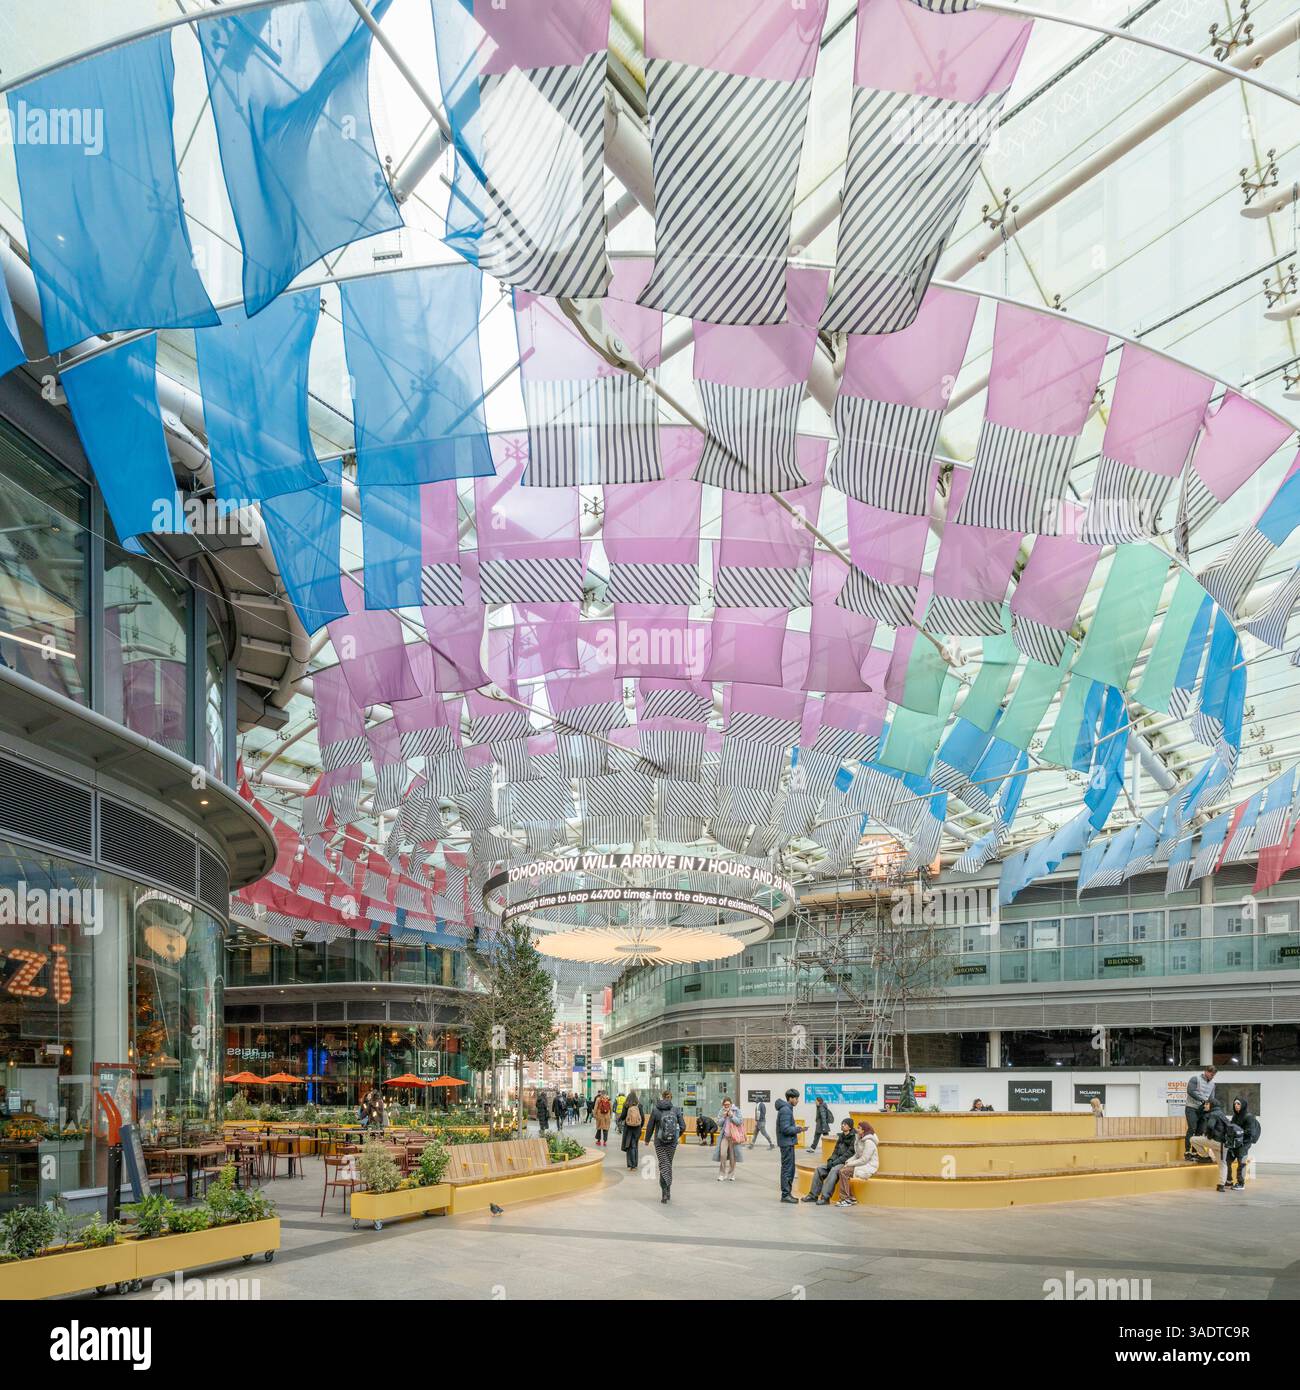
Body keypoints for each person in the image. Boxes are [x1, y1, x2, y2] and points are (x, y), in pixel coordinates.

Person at [803, 1119, 857, 1205]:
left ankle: (825, 1197)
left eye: (845, 1124)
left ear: (850, 1127)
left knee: (834, 1170)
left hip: (846, 1163)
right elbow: (835, 1151)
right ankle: (813, 1195)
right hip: (836, 1161)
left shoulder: (854, 1138)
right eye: (842, 1123)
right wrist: (830, 1160)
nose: (842, 1125)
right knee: (819, 1169)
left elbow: (848, 1154)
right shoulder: (841, 1136)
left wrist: (835, 1163)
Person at [647, 1089, 685, 1202]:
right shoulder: (676, 1110)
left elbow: (650, 1126)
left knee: (663, 1165)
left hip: (659, 1143)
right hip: (672, 1143)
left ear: (662, 1097)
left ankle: (664, 1192)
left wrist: (647, 1139)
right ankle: (668, 1190)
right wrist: (676, 1136)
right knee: (668, 1165)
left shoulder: (655, 1110)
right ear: (671, 1098)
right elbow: (683, 1126)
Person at [836, 1121, 879, 1207]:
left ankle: (846, 1199)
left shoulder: (869, 1142)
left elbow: (864, 1159)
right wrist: (848, 1161)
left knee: (843, 1172)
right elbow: (857, 1155)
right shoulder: (859, 1139)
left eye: (859, 1128)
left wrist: (850, 1164)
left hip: (868, 1165)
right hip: (861, 1163)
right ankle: (850, 1198)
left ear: (864, 1130)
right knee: (843, 1171)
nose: (856, 1129)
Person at [1184, 1064, 1217, 1159]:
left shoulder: (1212, 1084)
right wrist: (1202, 1100)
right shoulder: (1195, 1079)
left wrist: (1211, 1106)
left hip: (1203, 1110)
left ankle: (1195, 1153)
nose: (1212, 1076)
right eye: (1211, 1074)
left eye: (1214, 1075)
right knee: (1192, 1129)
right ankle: (1187, 1152)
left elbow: (1211, 1098)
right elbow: (1190, 1091)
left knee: (1200, 1131)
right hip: (1192, 1107)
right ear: (1206, 1071)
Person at [1229, 1096, 1261, 1189]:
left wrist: (1239, 1131)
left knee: (1241, 1162)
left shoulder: (1249, 1117)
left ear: (1243, 1105)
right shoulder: (1235, 1116)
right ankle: (1228, 1180)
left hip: (1245, 1143)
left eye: (1238, 1104)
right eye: (1235, 1104)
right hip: (1236, 1142)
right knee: (1227, 1160)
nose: (1236, 1105)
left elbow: (1251, 1132)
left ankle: (1241, 1183)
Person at [776, 1088, 800, 1203]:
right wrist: (798, 1129)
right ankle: (785, 1195)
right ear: (790, 1098)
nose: (797, 1101)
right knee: (787, 1169)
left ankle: (787, 1193)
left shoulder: (787, 1109)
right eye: (796, 1098)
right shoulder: (786, 1110)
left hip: (787, 1143)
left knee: (789, 1169)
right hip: (786, 1143)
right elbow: (785, 1129)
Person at [715, 1097, 746, 1182]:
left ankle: (731, 1174)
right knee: (722, 1155)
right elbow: (719, 1123)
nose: (726, 1106)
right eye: (725, 1105)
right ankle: (722, 1174)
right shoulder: (721, 1111)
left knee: (733, 1157)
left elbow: (739, 1122)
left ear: (731, 1104)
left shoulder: (736, 1110)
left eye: (728, 1104)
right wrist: (724, 1117)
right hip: (725, 1137)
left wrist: (732, 1116)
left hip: (734, 1137)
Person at [619, 1090, 643, 1171]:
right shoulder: (639, 1106)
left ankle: (632, 1165)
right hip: (637, 1129)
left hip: (628, 1129)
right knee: (635, 1146)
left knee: (630, 1146)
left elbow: (622, 1116)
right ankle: (634, 1164)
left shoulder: (626, 1105)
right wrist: (639, 1126)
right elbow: (642, 1118)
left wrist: (620, 1119)